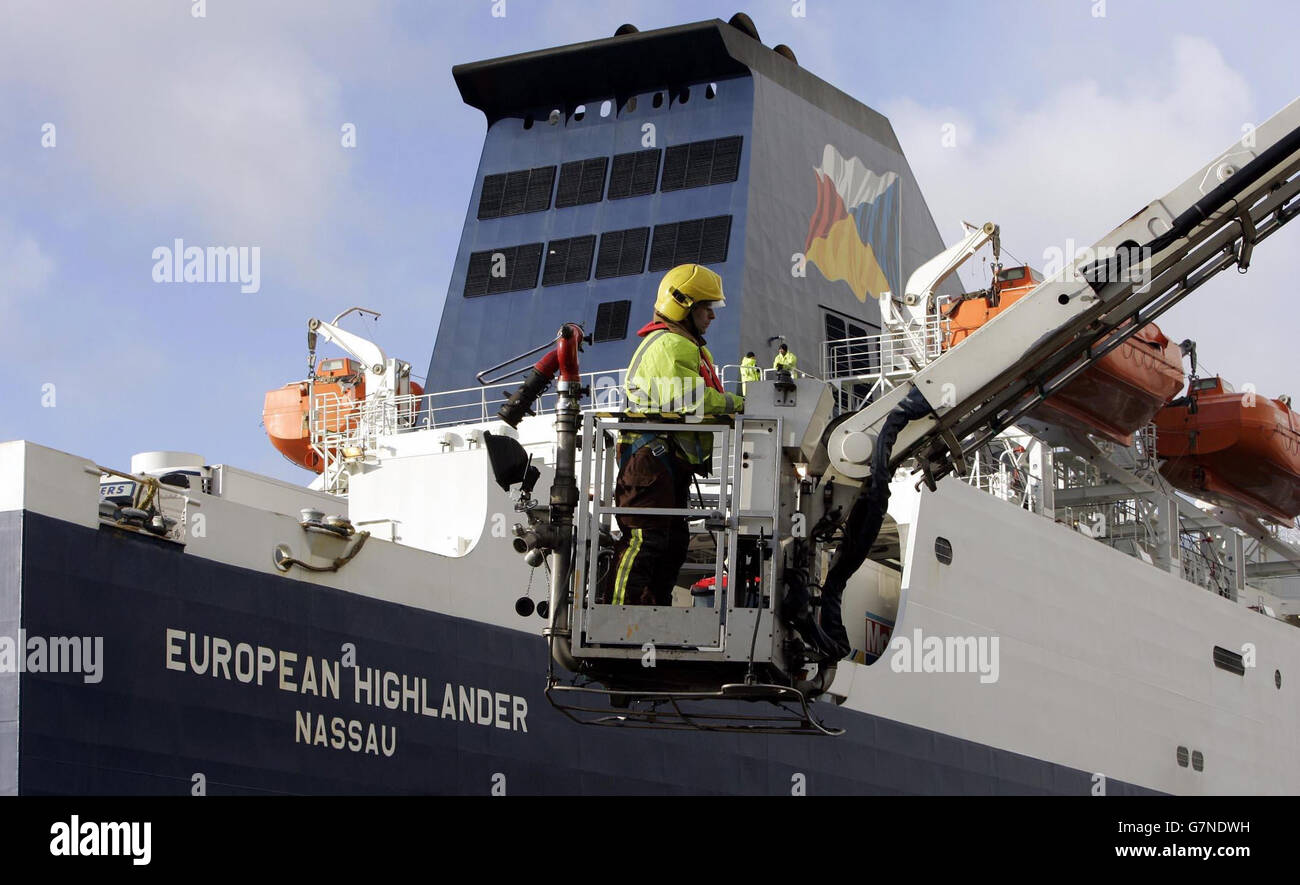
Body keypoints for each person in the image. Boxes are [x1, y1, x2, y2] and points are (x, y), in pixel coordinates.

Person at [602, 264, 743, 607]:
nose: (712, 314)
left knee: (671, 542)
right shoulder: (671, 345)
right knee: (646, 539)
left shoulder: (685, 345)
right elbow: (689, 398)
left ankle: (653, 611)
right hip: (650, 461)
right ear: (684, 305)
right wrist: (739, 404)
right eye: (706, 306)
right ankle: (620, 615)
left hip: (665, 463)